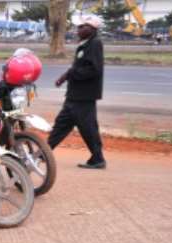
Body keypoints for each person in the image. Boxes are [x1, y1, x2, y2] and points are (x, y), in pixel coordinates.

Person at [47, 15, 106, 169]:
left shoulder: (95, 44)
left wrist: (72, 74)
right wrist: (65, 76)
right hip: (76, 95)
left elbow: (94, 70)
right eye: (78, 27)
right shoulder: (85, 44)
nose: (78, 30)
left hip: (84, 96)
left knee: (88, 129)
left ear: (92, 29)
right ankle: (44, 153)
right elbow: (78, 67)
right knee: (61, 125)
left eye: (82, 27)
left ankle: (98, 159)